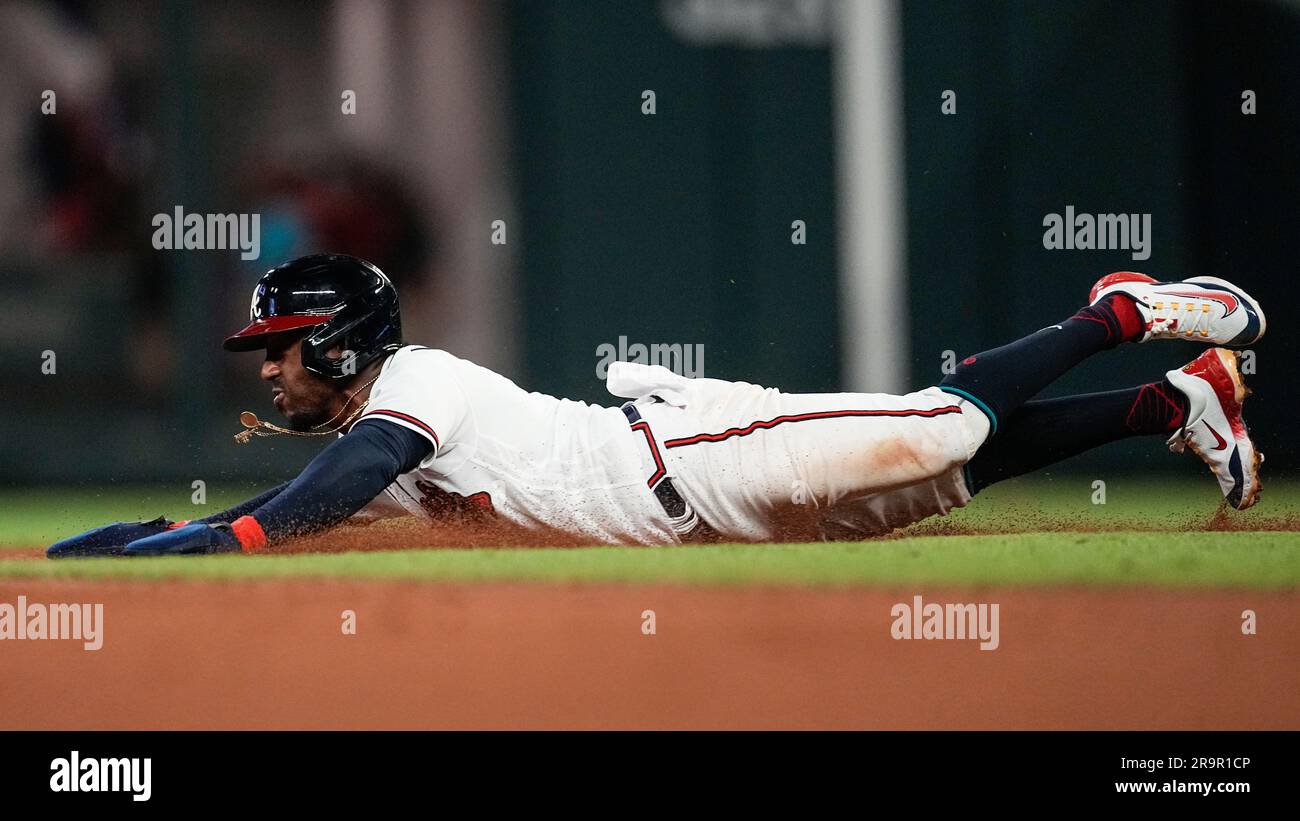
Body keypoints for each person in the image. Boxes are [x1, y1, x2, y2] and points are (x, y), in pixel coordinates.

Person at [47, 254, 1265, 557]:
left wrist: (224, 540)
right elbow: (293, 498)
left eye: (280, 348)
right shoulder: (375, 442)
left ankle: (1117, 310)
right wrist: (127, 547)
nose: (266, 372)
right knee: (945, 479)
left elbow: (314, 499)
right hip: (733, 525)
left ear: (335, 339)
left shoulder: (410, 389)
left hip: (694, 453)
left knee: (939, 426)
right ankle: (1171, 407)